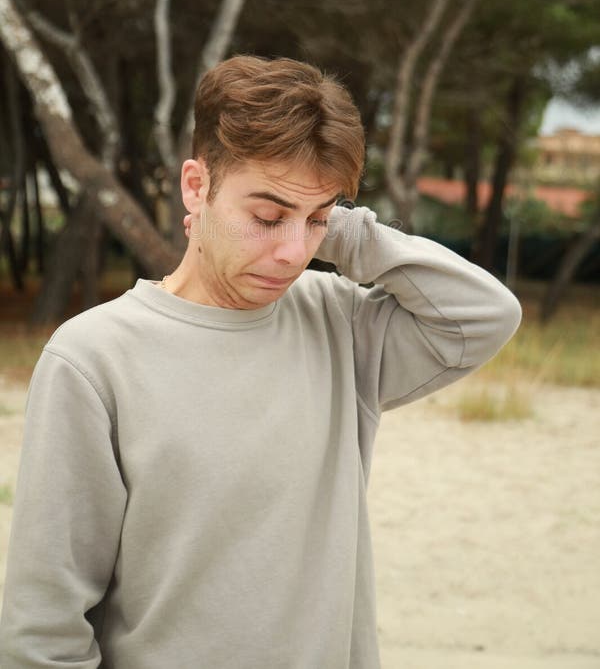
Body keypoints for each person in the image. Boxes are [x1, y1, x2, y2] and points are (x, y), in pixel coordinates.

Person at [0, 56, 521, 669]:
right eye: (268, 216)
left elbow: (484, 314)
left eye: (317, 221)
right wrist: (313, 214)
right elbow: (45, 624)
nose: (293, 251)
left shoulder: (339, 325)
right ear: (196, 186)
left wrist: (345, 232)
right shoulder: (92, 358)